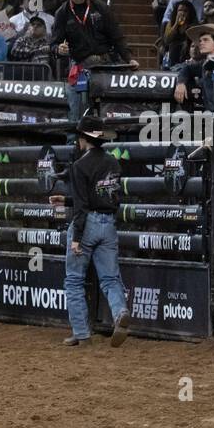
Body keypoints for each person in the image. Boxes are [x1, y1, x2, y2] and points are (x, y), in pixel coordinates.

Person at [62, 111, 131, 348]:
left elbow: (83, 205)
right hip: (108, 223)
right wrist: (67, 200)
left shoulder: (80, 166)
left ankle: (81, 333)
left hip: (87, 224)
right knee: (110, 278)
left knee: (74, 280)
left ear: (83, 139)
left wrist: (77, 238)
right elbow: (105, 196)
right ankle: (120, 311)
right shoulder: (113, 162)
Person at [50, 0, 137, 124]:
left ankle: (104, 143)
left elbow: (117, 36)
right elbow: (53, 44)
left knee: (109, 110)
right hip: (81, 67)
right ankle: (76, 144)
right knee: (77, 109)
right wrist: (58, 49)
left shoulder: (101, 8)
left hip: (106, 65)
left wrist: (129, 58)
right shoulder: (62, 13)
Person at [174, 21, 214, 112]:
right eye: (200, 41)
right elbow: (187, 68)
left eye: (206, 40)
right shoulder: (203, 64)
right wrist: (181, 83)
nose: (201, 43)